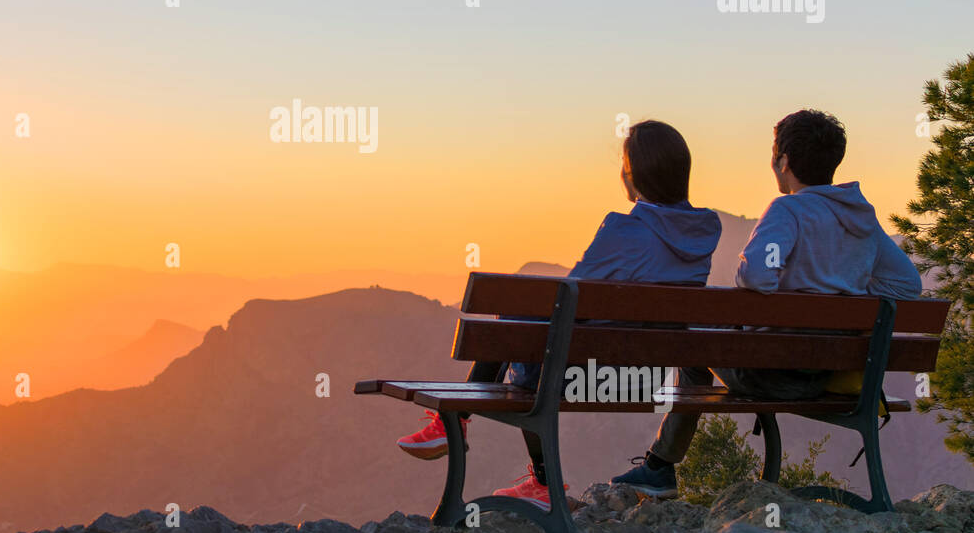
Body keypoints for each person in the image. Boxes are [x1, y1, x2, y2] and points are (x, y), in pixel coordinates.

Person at [396, 120, 722, 511]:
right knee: (527, 330)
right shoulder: (705, 231)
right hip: (645, 381)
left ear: (631, 174)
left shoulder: (624, 229)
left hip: (586, 377)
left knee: (522, 328)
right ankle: (477, 440)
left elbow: (568, 300)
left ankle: (471, 436)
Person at [612, 109, 924, 499]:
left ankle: (660, 468)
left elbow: (757, 276)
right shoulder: (861, 217)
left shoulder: (788, 211)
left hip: (771, 373)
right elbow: (907, 285)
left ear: (784, 162)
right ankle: (661, 467)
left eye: (773, 154)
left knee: (689, 338)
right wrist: (846, 292)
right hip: (825, 376)